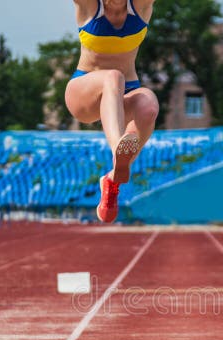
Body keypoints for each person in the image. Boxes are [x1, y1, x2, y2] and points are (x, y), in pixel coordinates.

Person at [66, 0, 160, 223]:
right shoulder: (90, 6)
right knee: (113, 76)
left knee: (149, 105)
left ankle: (111, 180)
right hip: (85, 91)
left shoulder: (141, 5)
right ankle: (118, 145)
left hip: (125, 94)